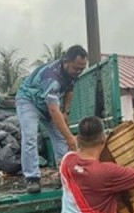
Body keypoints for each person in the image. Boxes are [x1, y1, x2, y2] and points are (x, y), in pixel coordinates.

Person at [16, 44, 90, 193]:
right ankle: (32, 178)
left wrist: (66, 111)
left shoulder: (72, 73)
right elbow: (52, 109)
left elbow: (69, 90)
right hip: (28, 100)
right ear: (66, 61)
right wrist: (70, 137)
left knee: (60, 139)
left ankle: (65, 174)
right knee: (30, 137)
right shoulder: (53, 78)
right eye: (76, 68)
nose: (78, 71)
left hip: (48, 105)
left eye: (82, 69)